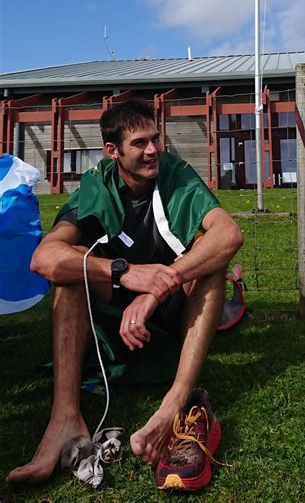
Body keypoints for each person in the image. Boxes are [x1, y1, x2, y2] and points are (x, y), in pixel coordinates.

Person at [7, 99, 243, 489]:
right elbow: (43, 258)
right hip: (114, 307)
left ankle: (176, 403)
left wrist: (155, 288)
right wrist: (125, 273)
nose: (152, 150)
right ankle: (64, 416)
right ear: (112, 151)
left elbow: (228, 234)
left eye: (155, 139)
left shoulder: (175, 173)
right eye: (139, 143)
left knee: (212, 264)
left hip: (166, 307)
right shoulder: (97, 183)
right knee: (73, 268)